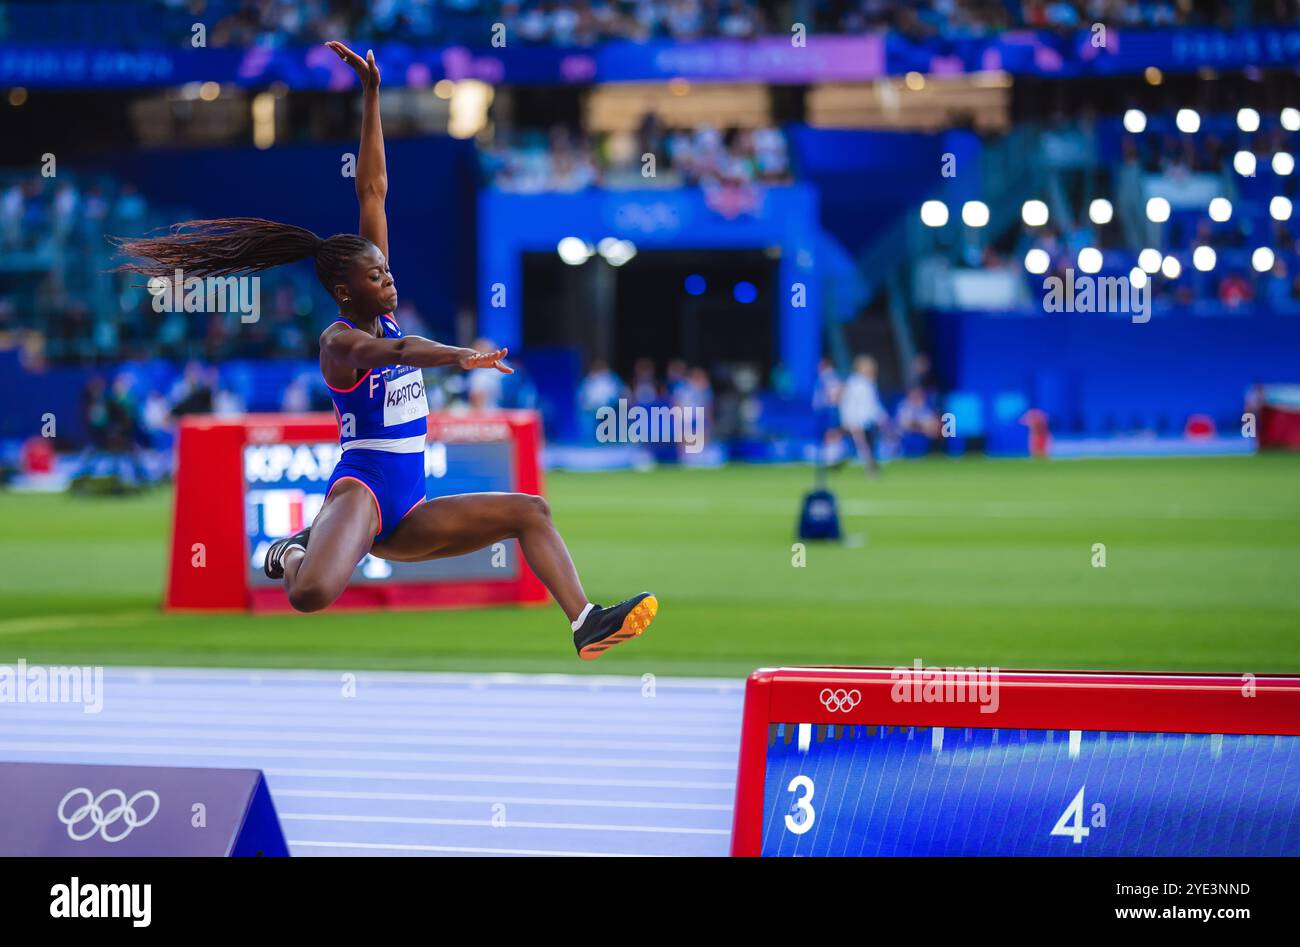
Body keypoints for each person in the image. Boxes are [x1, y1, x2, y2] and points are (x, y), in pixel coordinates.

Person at [109, 42, 656, 660]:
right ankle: (295, 549)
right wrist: (460, 357)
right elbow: (401, 350)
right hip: (362, 492)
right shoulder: (341, 341)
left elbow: (373, 188)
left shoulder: (382, 309)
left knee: (531, 509)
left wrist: (371, 94)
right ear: (346, 289)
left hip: (410, 505)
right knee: (311, 593)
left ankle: (584, 620)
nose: (388, 277)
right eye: (375, 275)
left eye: (385, 269)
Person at [837, 354, 885, 476]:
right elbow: (848, 403)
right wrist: (848, 420)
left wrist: (879, 417)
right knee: (862, 445)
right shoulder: (855, 383)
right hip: (856, 420)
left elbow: (873, 404)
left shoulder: (868, 383)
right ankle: (871, 469)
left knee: (866, 445)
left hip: (866, 420)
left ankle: (867, 467)